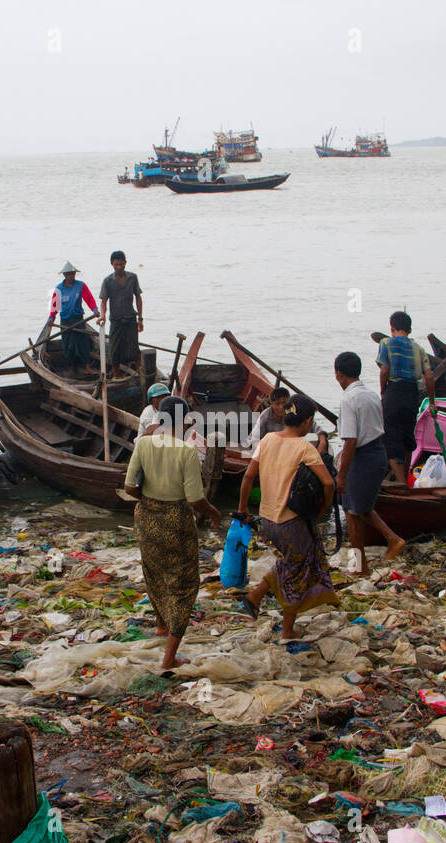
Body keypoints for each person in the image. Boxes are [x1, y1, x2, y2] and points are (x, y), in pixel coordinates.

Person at [124, 396, 221, 671]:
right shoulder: (186, 451)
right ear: (184, 421)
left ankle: (160, 626)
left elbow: (130, 487)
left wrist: (150, 497)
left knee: (154, 572)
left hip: (146, 516)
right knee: (184, 584)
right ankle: (169, 659)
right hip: (175, 520)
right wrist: (213, 512)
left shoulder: (143, 444)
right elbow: (195, 499)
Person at [236, 395, 338, 639]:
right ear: (307, 422)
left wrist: (243, 507)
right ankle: (286, 629)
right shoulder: (304, 447)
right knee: (296, 571)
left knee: (292, 563)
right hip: (291, 521)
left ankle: (256, 597)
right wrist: (324, 508)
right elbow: (327, 482)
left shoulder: (269, 439)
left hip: (268, 520)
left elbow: (248, 476)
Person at [335, 351, 405, 571]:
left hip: (363, 457)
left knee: (355, 512)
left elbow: (351, 440)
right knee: (358, 510)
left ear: (339, 375)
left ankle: (373, 555)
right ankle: (371, 556)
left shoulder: (349, 399)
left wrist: (342, 474)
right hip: (377, 454)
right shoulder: (372, 394)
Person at [375, 311, 432, 485]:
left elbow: (384, 370)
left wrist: (383, 390)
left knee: (390, 440)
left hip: (394, 393)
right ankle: (406, 477)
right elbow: (428, 377)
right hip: (412, 394)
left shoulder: (386, 343)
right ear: (410, 329)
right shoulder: (419, 349)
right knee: (408, 439)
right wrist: (433, 401)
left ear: (392, 328)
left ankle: (402, 485)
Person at [49, 261, 99, 373]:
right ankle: (71, 368)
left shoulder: (80, 285)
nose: (71, 276)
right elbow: (54, 305)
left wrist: (94, 309)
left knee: (82, 343)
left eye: (72, 274)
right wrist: (51, 317)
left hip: (78, 319)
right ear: (64, 275)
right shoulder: (59, 288)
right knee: (68, 345)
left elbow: (89, 299)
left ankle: (87, 367)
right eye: (68, 274)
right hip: (65, 321)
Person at [98, 250, 144, 372]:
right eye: (116, 264)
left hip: (130, 318)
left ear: (125, 263)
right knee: (114, 349)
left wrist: (140, 319)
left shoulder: (132, 278)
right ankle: (116, 375)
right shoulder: (107, 281)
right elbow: (104, 302)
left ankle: (140, 373)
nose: (119, 267)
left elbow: (138, 298)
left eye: (121, 264)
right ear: (112, 265)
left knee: (134, 348)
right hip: (116, 320)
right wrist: (102, 316)